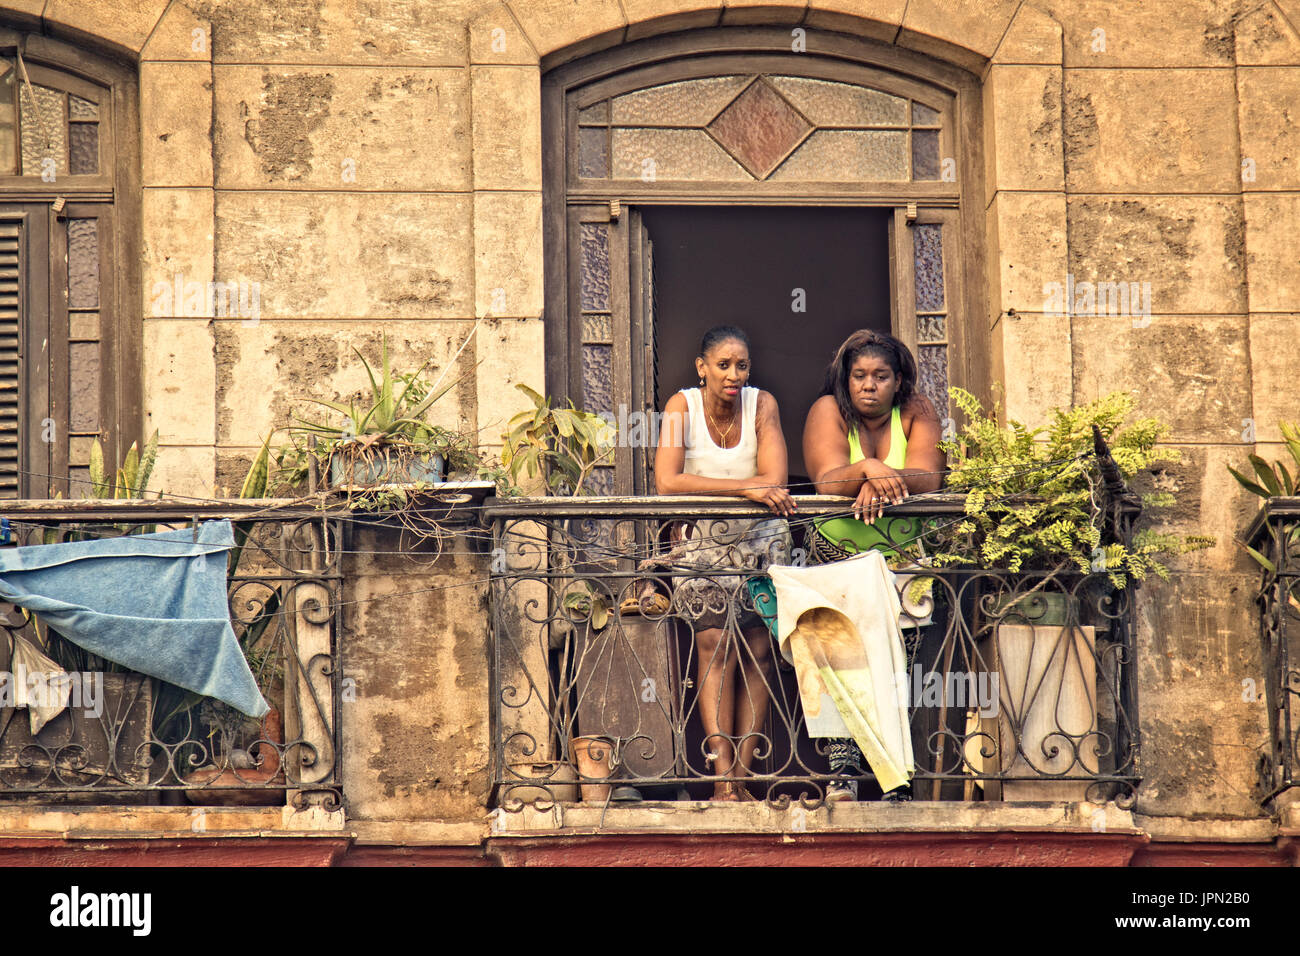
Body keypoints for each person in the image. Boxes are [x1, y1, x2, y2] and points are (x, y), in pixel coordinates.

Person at [802, 329, 945, 801]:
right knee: (837, 661)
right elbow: (826, 482)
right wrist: (866, 469)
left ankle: (893, 777)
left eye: (880, 376)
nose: (869, 385)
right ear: (846, 380)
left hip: (903, 562)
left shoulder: (918, 411)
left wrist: (877, 476)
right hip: (837, 556)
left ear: (898, 380)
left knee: (895, 668)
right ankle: (842, 772)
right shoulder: (827, 410)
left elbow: (928, 476)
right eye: (860, 376)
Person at [653, 325, 794, 801]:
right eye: (723, 365)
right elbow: (668, 483)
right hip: (701, 545)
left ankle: (745, 779)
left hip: (760, 541)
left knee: (759, 651)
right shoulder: (681, 407)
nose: (734, 374)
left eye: (742, 365)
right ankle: (722, 781)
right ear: (702, 368)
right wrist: (742, 488)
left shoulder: (763, 404)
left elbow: (774, 477)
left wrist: (751, 487)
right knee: (715, 647)